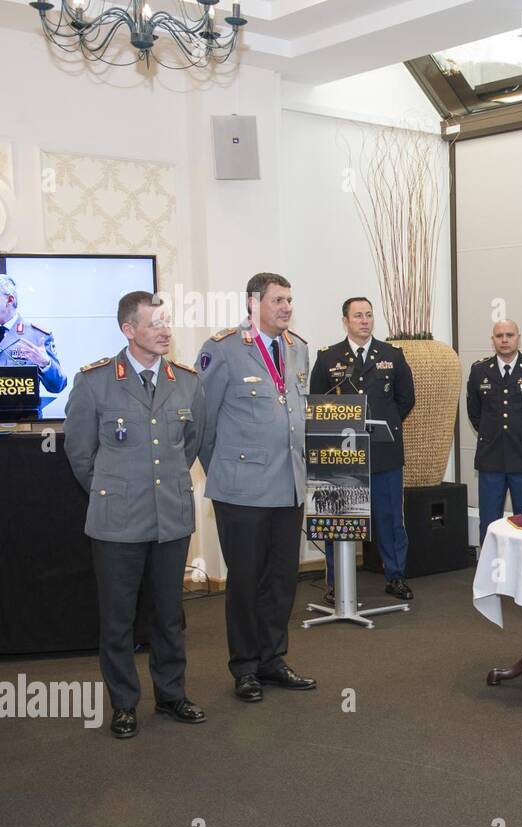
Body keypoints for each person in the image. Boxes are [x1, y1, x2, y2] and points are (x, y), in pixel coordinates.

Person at [63, 292, 206, 739]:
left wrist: (158, 486)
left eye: (167, 323)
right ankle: (124, 703)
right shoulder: (95, 382)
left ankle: (171, 695)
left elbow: (191, 442)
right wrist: (114, 492)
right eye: (155, 324)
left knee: (168, 615)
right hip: (116, 522)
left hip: (170, 517)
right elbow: (80, 453)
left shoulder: (186, 381)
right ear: (129, 330)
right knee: (119, 619)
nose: (165, 331)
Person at [196, 272, 316, 703]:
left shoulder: (298, 349)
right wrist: (226, 473)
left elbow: (296, 414)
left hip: (288, 486)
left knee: (282, 580)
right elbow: (203, 423)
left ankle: (272, 659)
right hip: (240, 490)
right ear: (253, 303)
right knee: (245, 581)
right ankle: (244, 667)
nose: (286, 308)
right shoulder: (223, 349)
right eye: (278, 300)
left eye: (289, 300)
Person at [310, 297, 417, 602]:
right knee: (339, 519)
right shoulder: (328, 357)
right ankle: (336, 583)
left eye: (369, 315)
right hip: (342, 454)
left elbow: (405, 400)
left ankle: (395, 576)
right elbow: (318, 402)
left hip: (384, 452)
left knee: (390, 519)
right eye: (358, 316)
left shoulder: (392, 355)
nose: (364, 321)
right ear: (345, 320)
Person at [465, 319, 522, 543]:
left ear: (518, 338)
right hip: (490, 459)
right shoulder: (479, 370)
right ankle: (490, 573)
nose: (504, 340)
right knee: (489, 523)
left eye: (509, 335)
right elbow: (474, 413)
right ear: (492, 340)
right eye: (499, 336)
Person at [0, 273, 67, 394]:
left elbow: (58, 385)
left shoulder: (37, 335)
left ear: (10, 300)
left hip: (22, 411)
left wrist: (45, 364)